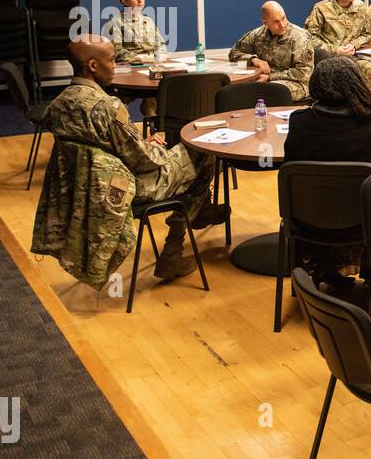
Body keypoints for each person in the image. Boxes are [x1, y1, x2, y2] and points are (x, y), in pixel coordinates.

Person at [33, 36, 226, 283]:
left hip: (88, 190)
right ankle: (174, 249)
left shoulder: (59, 103)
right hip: (131, 188)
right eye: (111, 60)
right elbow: (145, 162)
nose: (114, 66)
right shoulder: (108, 107)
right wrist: (156, 148)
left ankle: (199, 212)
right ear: (92, 65)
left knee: (187, 161)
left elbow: (98, 148)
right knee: (201, 151)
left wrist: (142, 141)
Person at [284, 56, 371, 312]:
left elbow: (290, 169)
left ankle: (326, 268)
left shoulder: (298, 122)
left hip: (307, 220)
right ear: (355, 84)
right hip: (362, 223)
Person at [303, 0, 371, 95]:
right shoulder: (321, 9)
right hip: (329, 60)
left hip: (353, 58)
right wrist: (335, 49)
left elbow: (368, 34)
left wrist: (354, 45)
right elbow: (310, 38)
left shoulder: (361, 7)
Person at [103, 0, 167, 117]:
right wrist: (140, 58)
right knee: (118, 107)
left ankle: (154, 127)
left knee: (159, 97)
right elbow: (117, 52)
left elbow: (160, 44)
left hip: (152, 68)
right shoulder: (116, 23)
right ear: (124, 1)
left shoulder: (148, 21)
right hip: (129, 70)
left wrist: (160, 59)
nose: (140, 0)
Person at [229, 1, 315, 101]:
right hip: (262, 79)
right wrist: (254, 60)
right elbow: (233, 53)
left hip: (296, 84)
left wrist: (270, 77)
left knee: (269, 91)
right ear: (265, 23)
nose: (282, 25)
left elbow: (303, 73)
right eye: (276, 21)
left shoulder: (300, 37)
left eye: (284, 18)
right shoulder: (258, 34)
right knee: (235, 90)